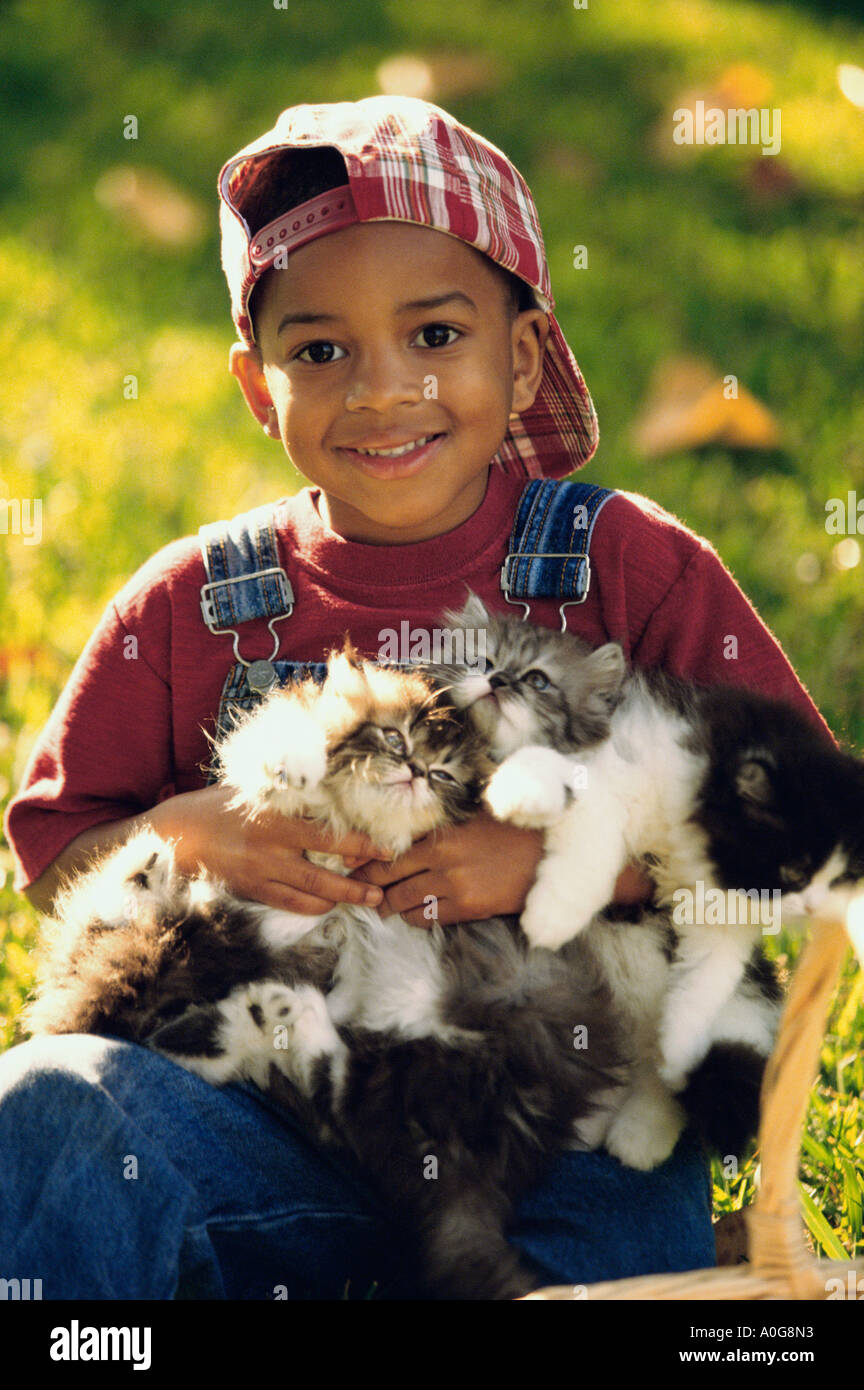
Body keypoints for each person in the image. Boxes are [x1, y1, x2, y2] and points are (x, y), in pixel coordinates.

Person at [0, 96, 827, 1299]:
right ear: (254, 382)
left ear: (525, 353)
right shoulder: (193, 604)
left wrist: (571, 864)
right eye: (320, 350)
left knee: (601, 1282)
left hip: (561, 1141)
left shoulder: (624, 567)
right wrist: (191, 829)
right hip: (270, 1122)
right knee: (50, 1106)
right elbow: (57, 845)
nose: (383, 390)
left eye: (436, 334)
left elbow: (805, 821)